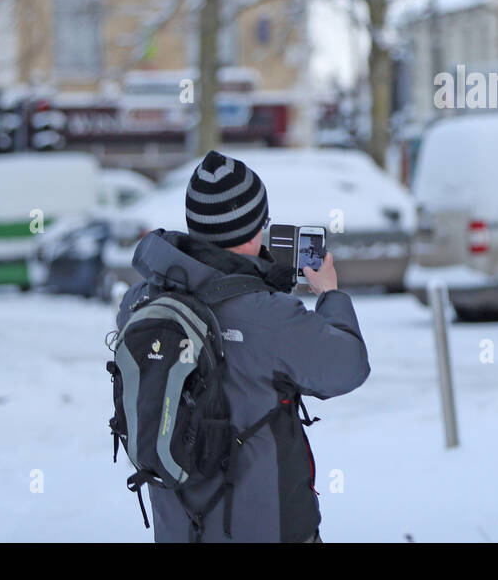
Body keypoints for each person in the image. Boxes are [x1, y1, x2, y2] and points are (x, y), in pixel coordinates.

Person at [117, 150, 369, 542]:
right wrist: (329, 294)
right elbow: (347, 365)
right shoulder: (270, 317)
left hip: (179, 531)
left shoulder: (140, 304)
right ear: (256, 229)